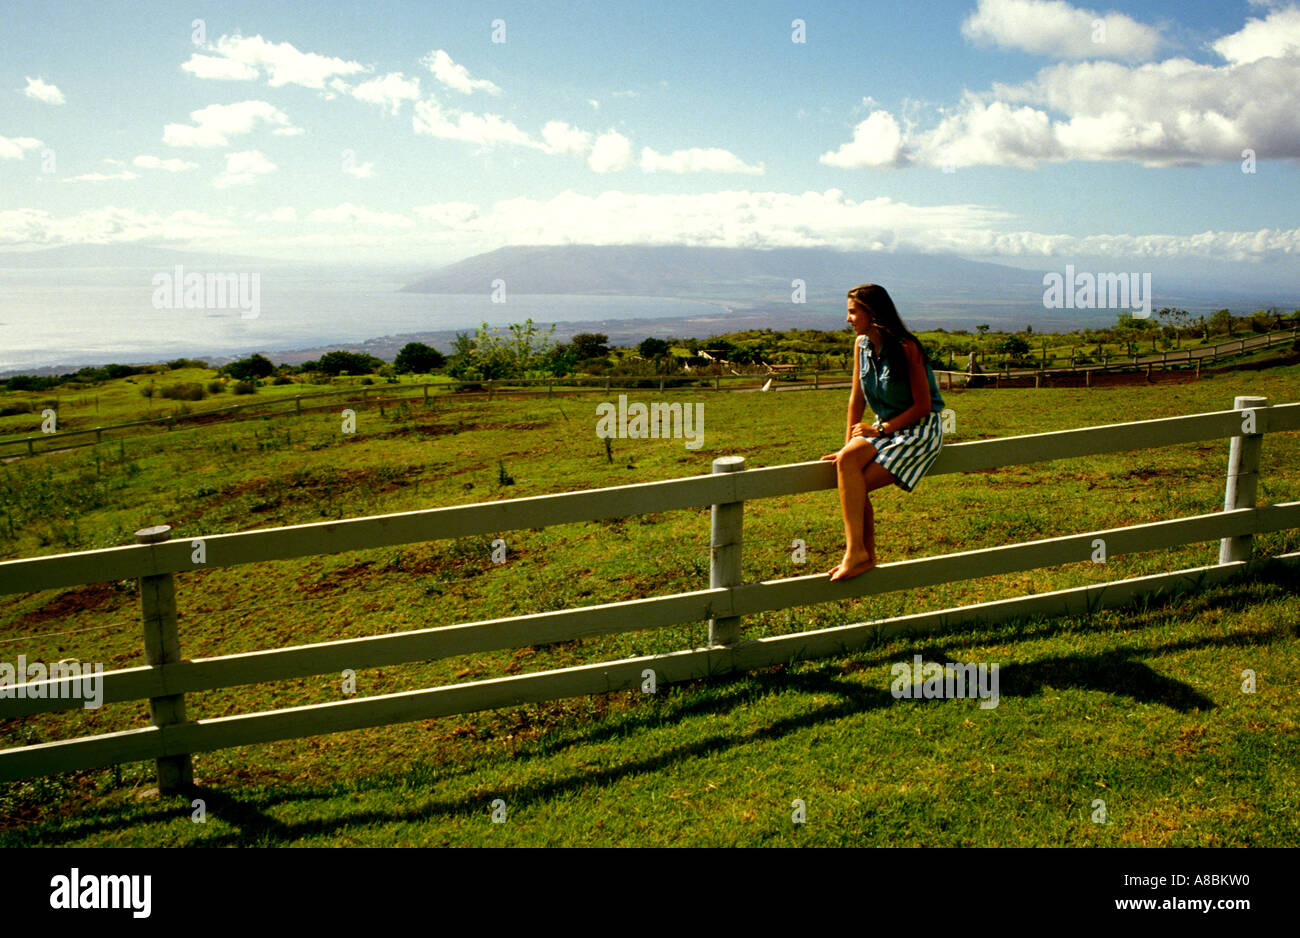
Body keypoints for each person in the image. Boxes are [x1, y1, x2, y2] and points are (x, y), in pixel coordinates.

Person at [822, 284, 946, 581]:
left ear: (872, 313)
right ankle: (862, 555)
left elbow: (923, 405)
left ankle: (859, 553)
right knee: (846, 463)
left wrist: (880, 429)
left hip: (917, 430)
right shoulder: (861, 346)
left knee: (854, 487)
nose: (848, 319)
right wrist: (848, 445)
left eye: (853, 312)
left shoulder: (907, 347)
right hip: (882, 428)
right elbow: (857, 398)